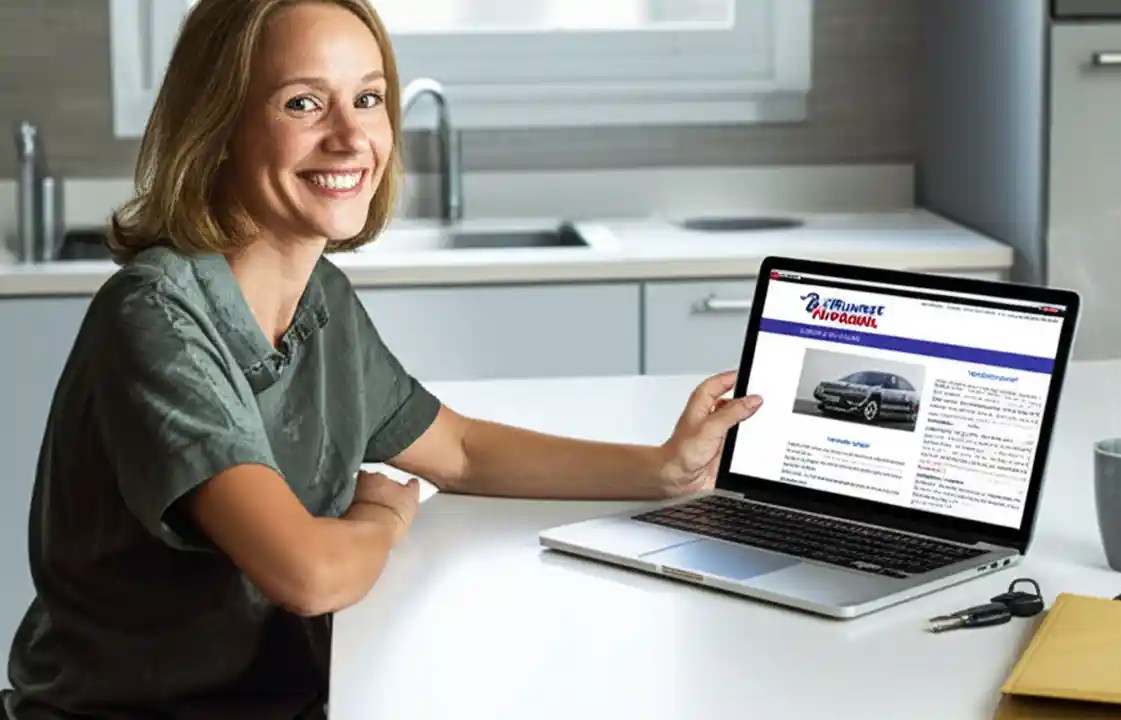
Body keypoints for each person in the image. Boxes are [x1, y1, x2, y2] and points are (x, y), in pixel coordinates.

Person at [0, 1, 763, 718]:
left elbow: (458, 450)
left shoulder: (320, 299)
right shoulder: (158, 316)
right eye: (303, 103)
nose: (350, 138)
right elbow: (307, 574)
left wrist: (662, 469)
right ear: (220, 125)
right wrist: (381, 517)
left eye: (367, 99)